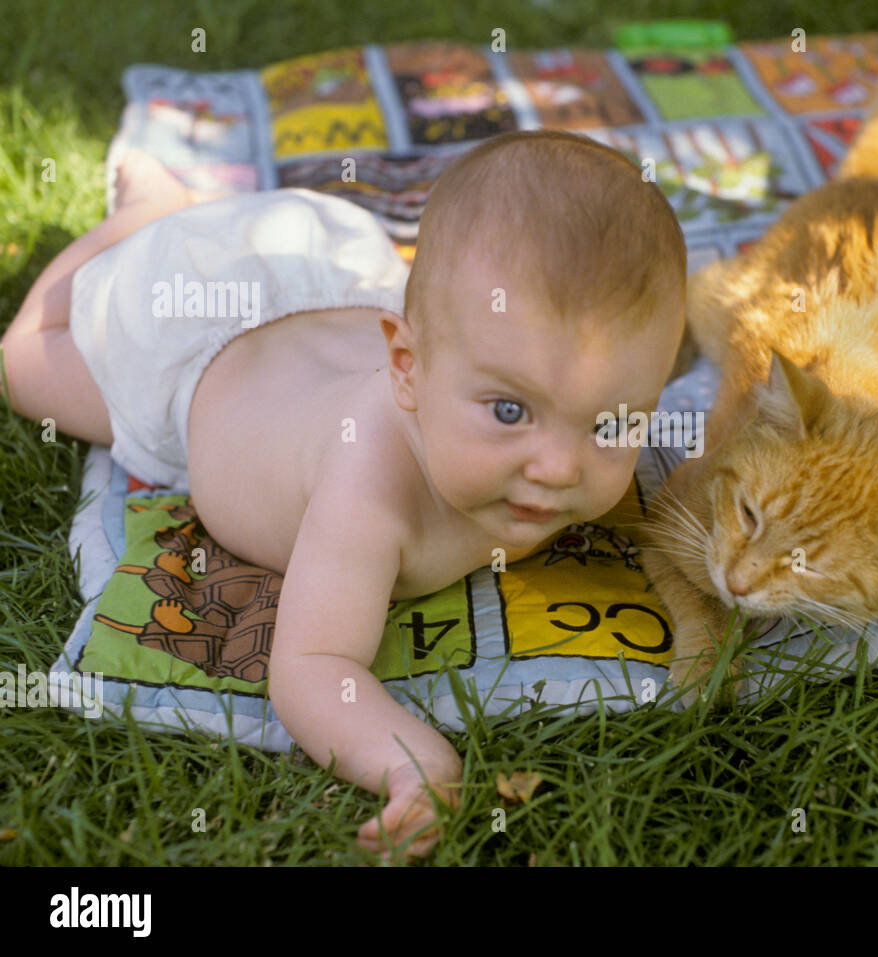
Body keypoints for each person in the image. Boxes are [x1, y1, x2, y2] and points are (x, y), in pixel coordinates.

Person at [0, 129, 688, 859]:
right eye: (510, 411)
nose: (558, 467)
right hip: (199, 349)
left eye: (612, 421)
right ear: (408, 367)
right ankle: (145, 211)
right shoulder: (369, 491)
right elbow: (311, 665)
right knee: (21, 364)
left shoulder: (508, 381)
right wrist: (411, 761)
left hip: (336, 293)